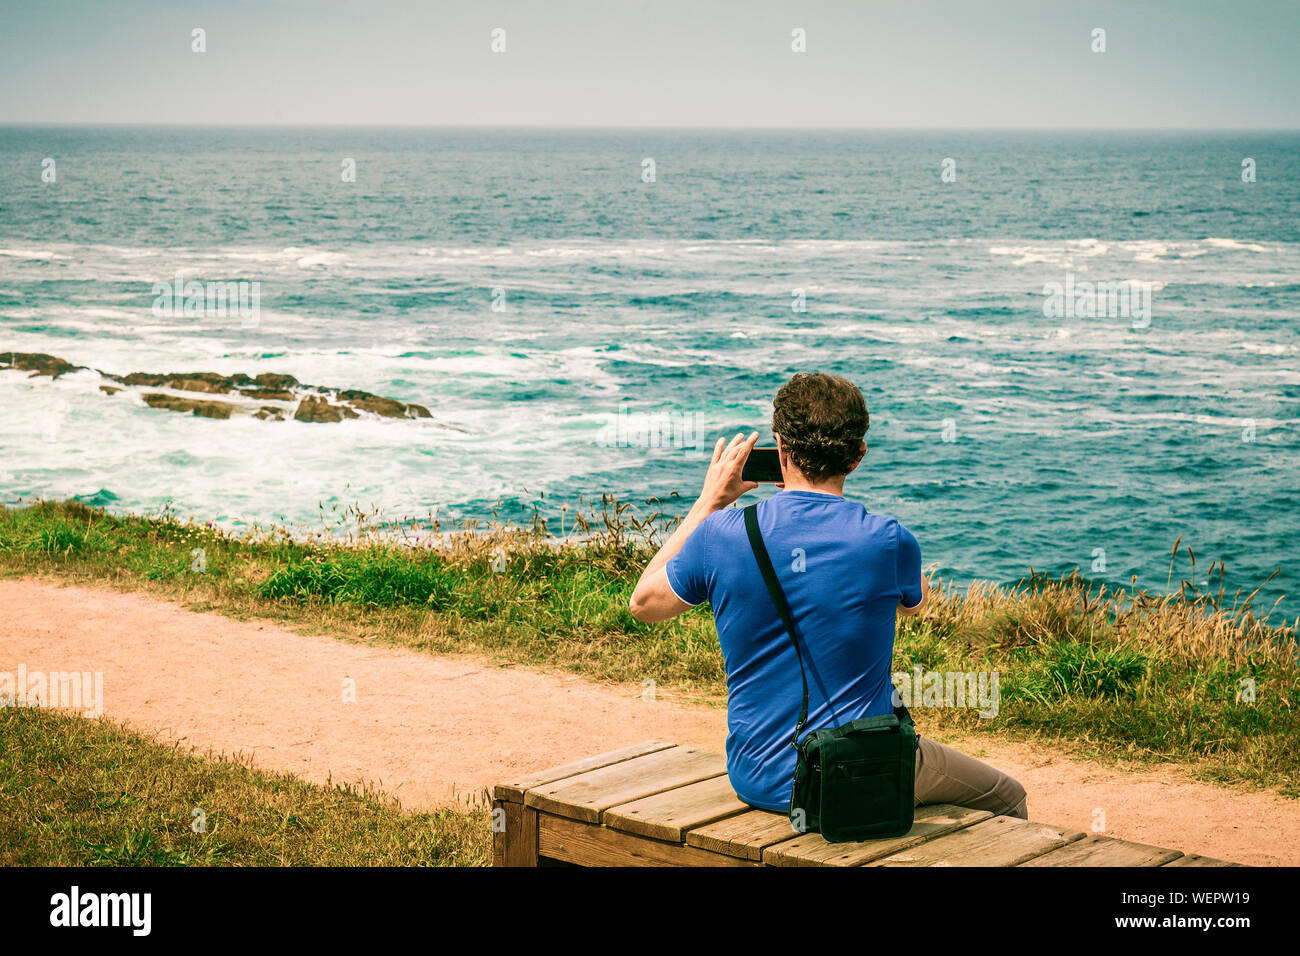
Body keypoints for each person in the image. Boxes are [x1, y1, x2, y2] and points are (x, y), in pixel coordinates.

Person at [629, 372, 1027, 820]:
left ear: (780, 449)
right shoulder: (887, 541)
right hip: (857, 772)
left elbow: (643, 604)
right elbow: (914, 606)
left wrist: (709, 501)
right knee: (1007, 796)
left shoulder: (720, 535)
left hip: (756, 777)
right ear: (858, 455)